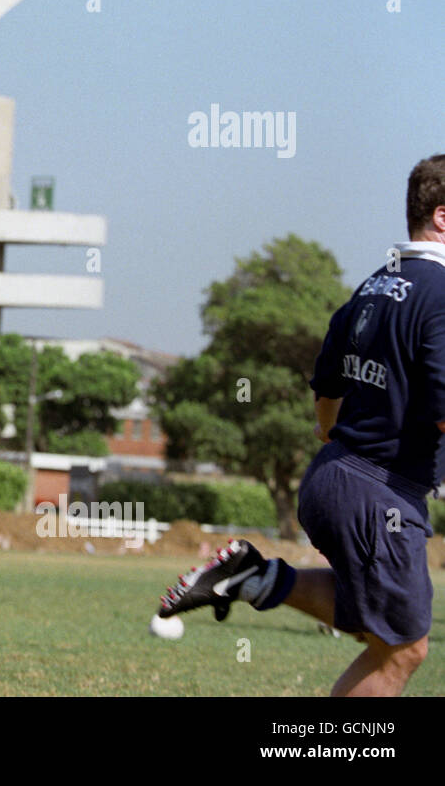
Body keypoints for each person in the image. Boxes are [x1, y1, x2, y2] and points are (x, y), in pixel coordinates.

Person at [158, 155, 445, 696]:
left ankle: (256, 577)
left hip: (333, 478)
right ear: (441, 217)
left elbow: (327, 388)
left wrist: (333, 437)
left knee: (373, 622)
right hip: (380, 496)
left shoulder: (373, 287)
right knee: (403, 650)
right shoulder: (442, 295)